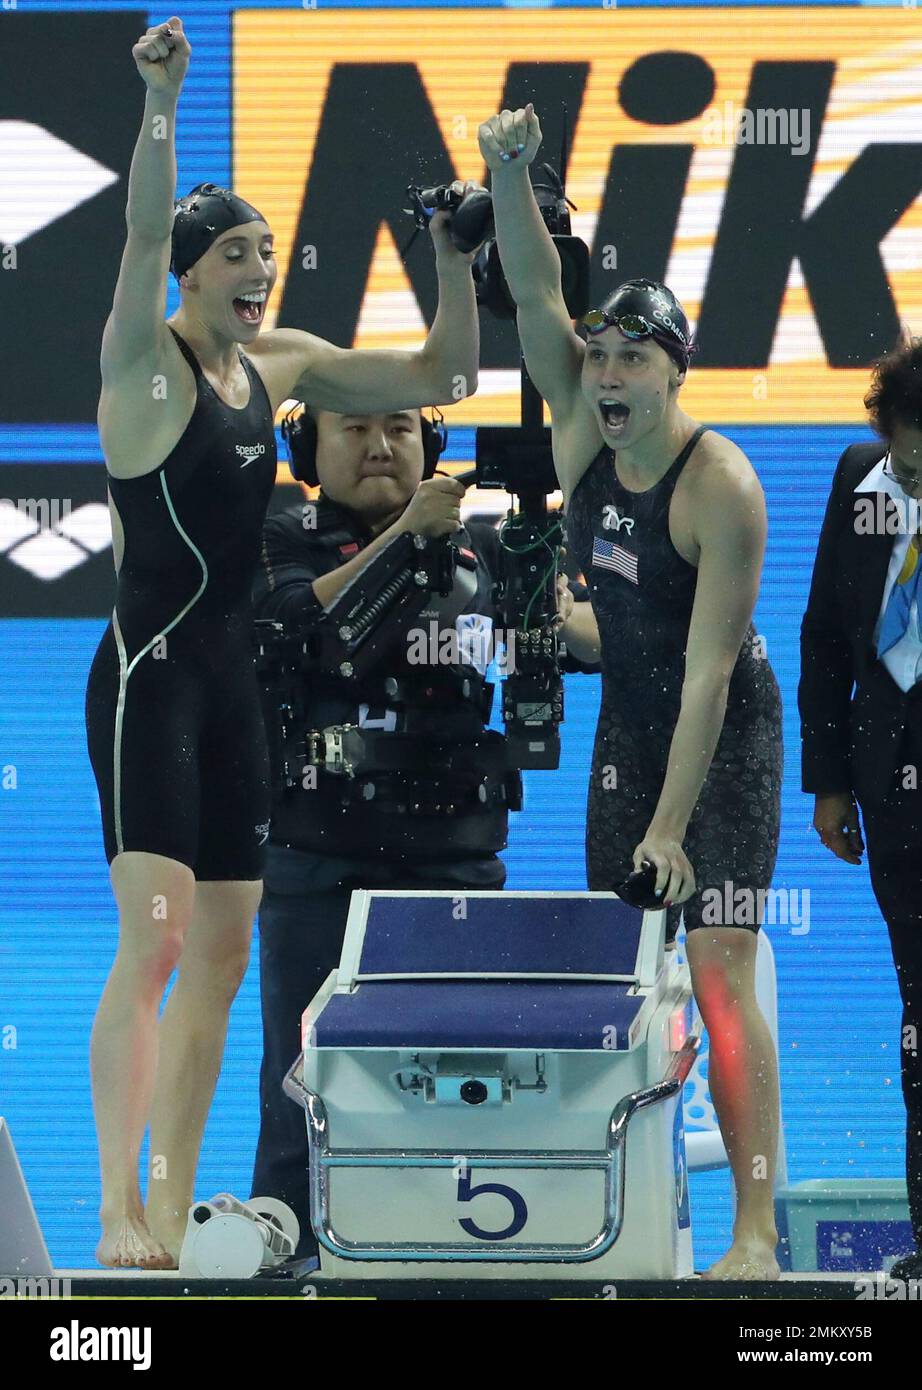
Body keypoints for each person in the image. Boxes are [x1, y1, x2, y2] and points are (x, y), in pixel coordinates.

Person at [84, 15, 480, 1269]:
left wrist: (456, 254)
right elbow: (143, 228)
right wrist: (161, 101)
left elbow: (444, 374)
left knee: (220, 952)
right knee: (151, 940)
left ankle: (174, 1202)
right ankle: (112, 1205)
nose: (261, 273)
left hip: (230, 689)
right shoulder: (145, 367)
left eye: (268, 255)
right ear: (192, 272)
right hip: (148, 677)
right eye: (240, 256)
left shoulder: (284, 362)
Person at [476, 103, 784, 1279]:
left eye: (631, 360)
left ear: (674, 371)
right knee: (629, 973)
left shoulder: (723, 489)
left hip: (726, 736)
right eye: (599, 359)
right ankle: (630, 1214)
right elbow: (532, 288)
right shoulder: (580, 430)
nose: (606, 375)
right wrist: (511, 171)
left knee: (717, 968)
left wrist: (669, 821)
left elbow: (710, 668)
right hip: (630, 717)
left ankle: (754, 1229)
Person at [249, 402, 597, 1259]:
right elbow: (301, 633)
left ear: (431, 445)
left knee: (464, 1082)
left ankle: (470, 1244)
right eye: (355, 430)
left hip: (457, 870)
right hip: (317, 861)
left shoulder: (484, 548)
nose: (379, 446)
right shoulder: (278, 533)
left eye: (400, 429)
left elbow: (576, 648)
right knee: (300, 1084)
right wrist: (409, 536)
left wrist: (570, 596)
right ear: (307, 449)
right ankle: (288, 1246)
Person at [799, 332, 922, 1282]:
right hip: (890, 789)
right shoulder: (859, 475)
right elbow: (826, 637)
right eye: (905, 457)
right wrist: (832, 779)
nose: (913, 478)